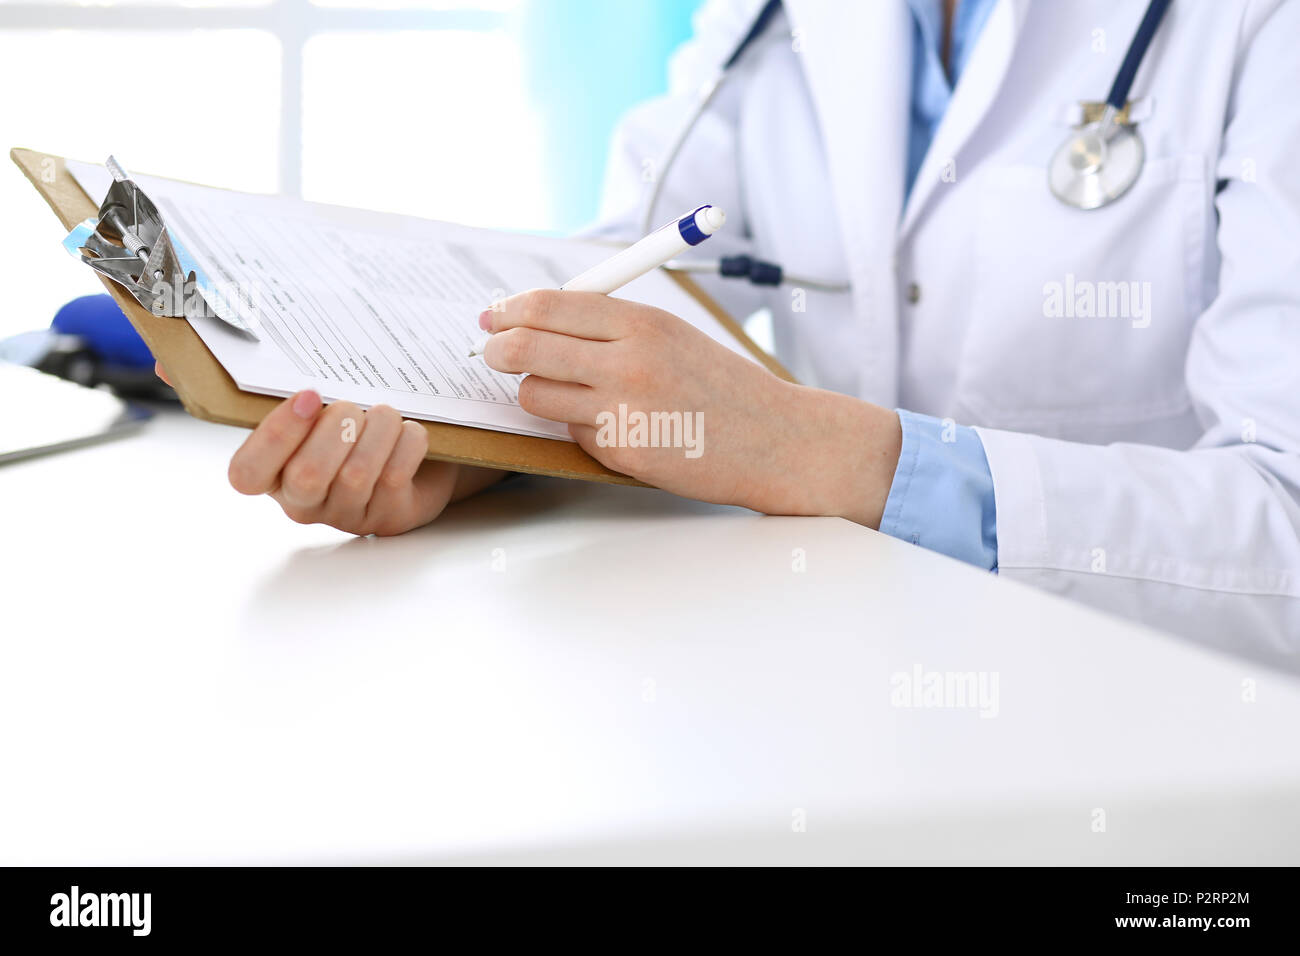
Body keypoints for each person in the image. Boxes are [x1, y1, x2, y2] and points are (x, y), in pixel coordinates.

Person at [155, 0, 1300, 667]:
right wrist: (474, 458)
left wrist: (820, 450)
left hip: (1164, 736)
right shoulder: (778, 18)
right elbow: (624, 272)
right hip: (842, 680)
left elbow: (1283, 522)